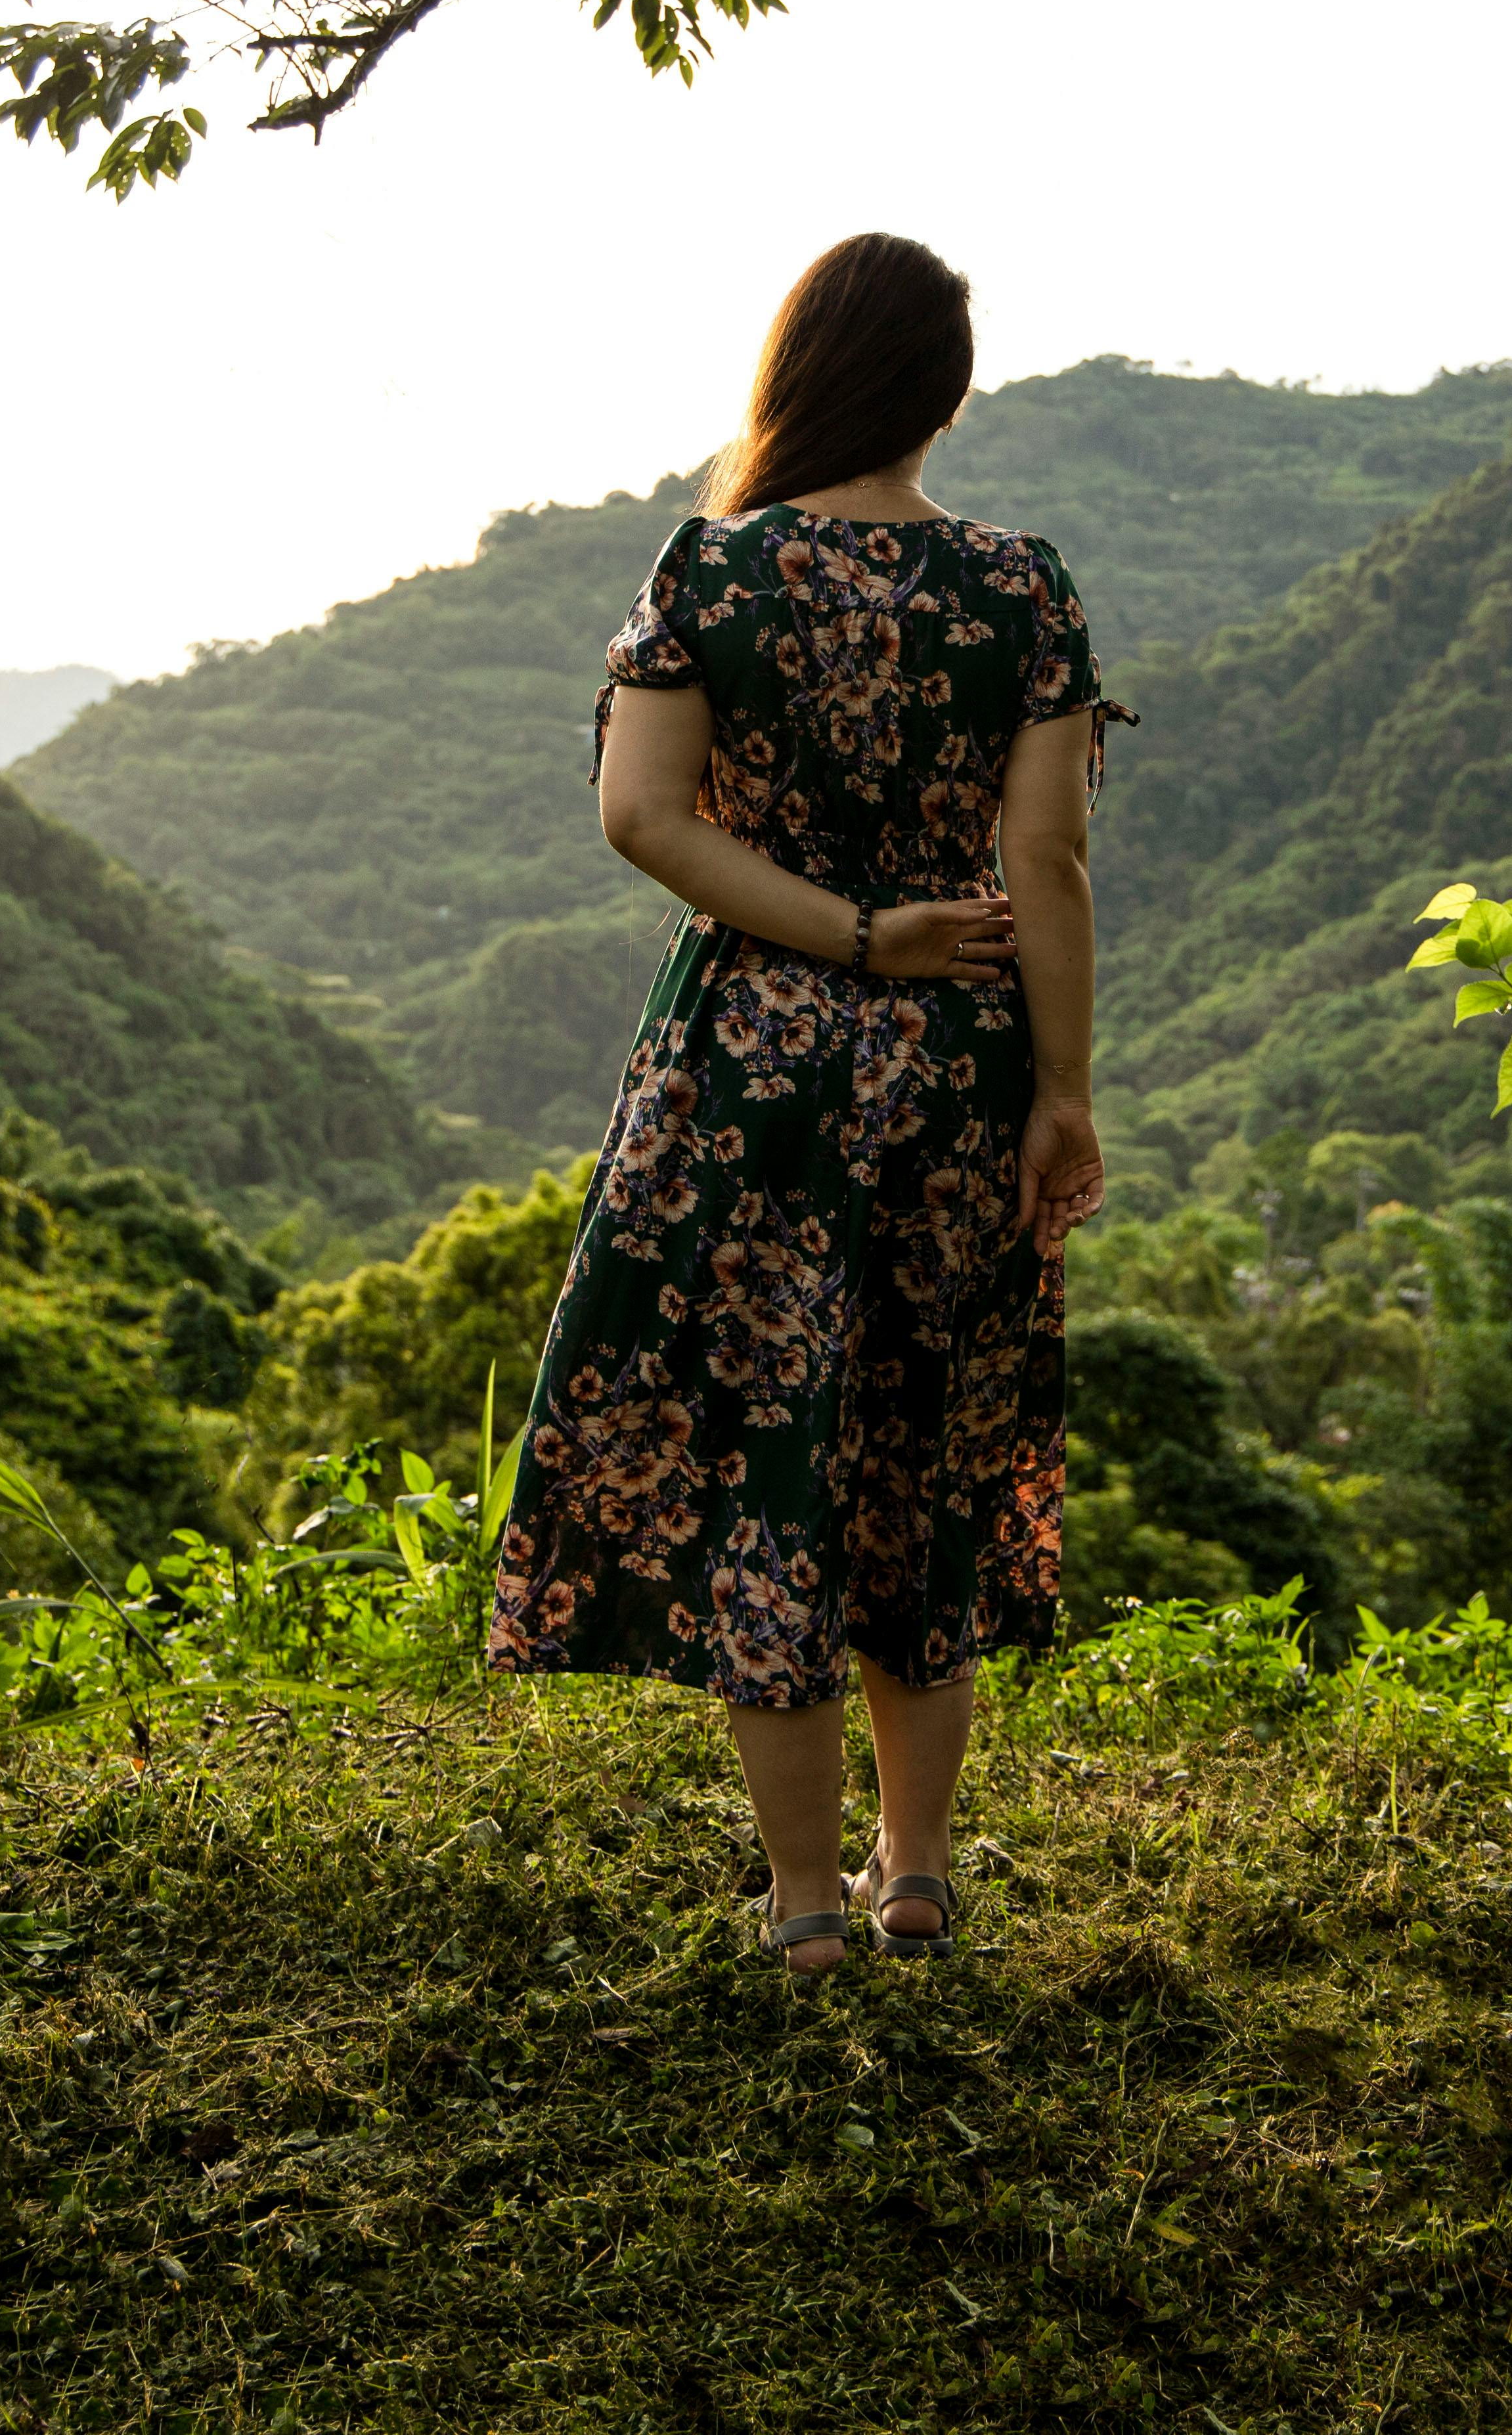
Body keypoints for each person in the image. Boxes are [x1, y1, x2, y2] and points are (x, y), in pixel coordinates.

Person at [487, 231, 1128, 1973]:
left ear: (798, 372)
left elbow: (644, 818)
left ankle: (799, 1904)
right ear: (945, 392)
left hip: (749, 1074)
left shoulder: (712, 572)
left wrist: (843, 934)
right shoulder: (1020, 587)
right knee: (926, 1451)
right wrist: (1063, 1093)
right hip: (958, 1073)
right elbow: (1049, 859)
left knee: (775, 1459)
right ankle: (916, 1874)